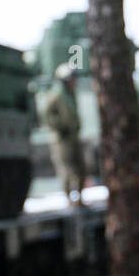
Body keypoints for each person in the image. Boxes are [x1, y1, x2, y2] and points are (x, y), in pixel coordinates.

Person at [42, 64, 87, 206]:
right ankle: (69, 199)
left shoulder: (70, 94)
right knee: (66, 169)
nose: (75, 81)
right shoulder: (56, 94)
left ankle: (79, 198)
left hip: (73, 136)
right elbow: (46, 115)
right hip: (62, 139)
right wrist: (59, 127)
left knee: (81, 167)